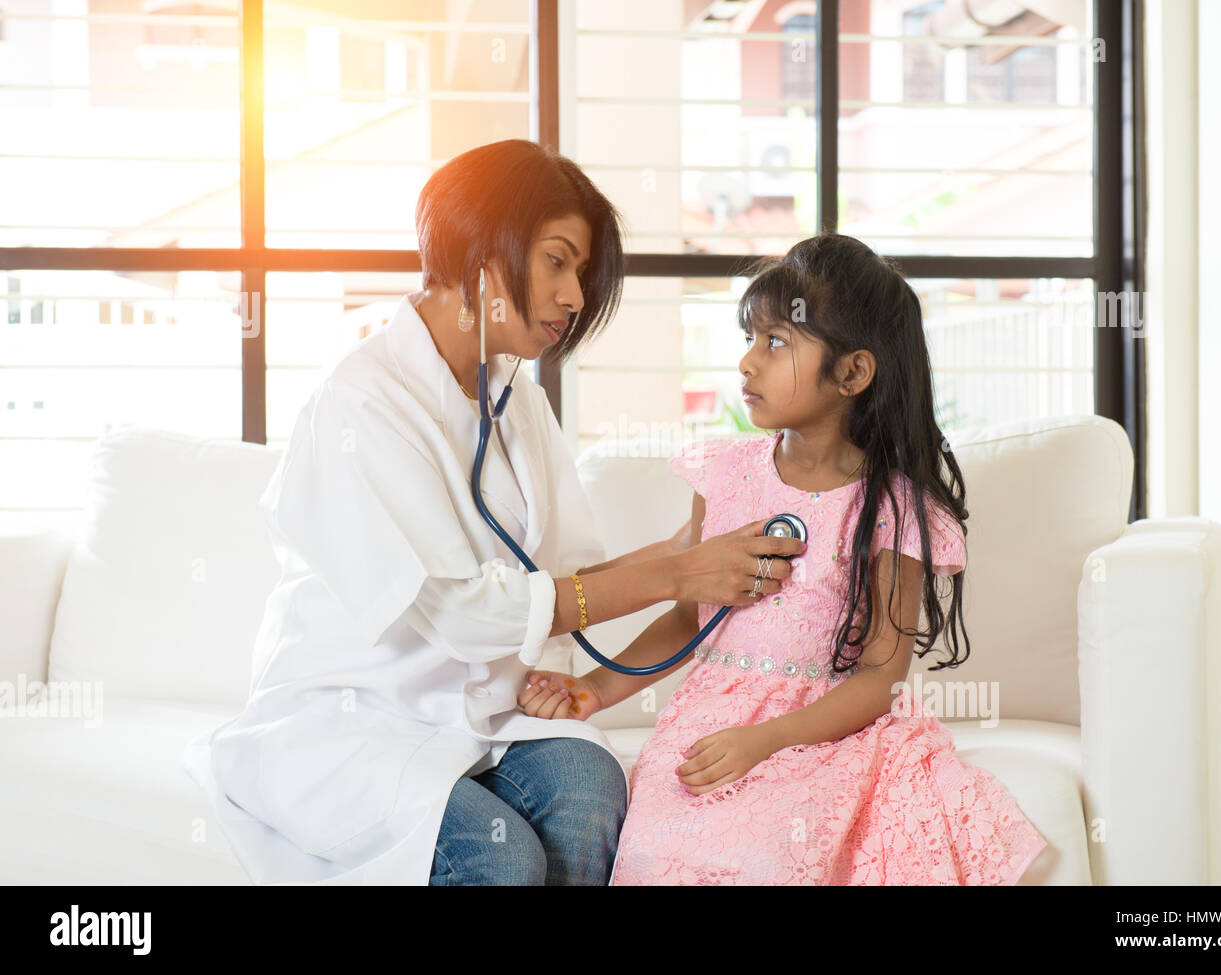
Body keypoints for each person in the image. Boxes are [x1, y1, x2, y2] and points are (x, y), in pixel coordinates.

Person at [180, 139, 801, 886]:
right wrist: (675, 571)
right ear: (480, 242)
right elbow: (466, 616)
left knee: (588, 790)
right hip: (351, 722)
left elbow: (563, 575)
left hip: (489, 718)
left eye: (581, 273)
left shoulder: (517, 398)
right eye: (558, 260)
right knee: (502, 856)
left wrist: (686, 554)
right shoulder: (362, 402)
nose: (574, 297)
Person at [520, 233, 1051, 885]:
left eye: (776, 342)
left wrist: (765, 739)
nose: (747, 363)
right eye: (750, 338)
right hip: (708, 721)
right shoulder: (728, 474)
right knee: (655, 858)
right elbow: (692, 617)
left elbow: (877, 681)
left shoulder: (890, 509)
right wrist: (593, 690)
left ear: (853, 373)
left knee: (763, 859)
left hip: (813, 736)